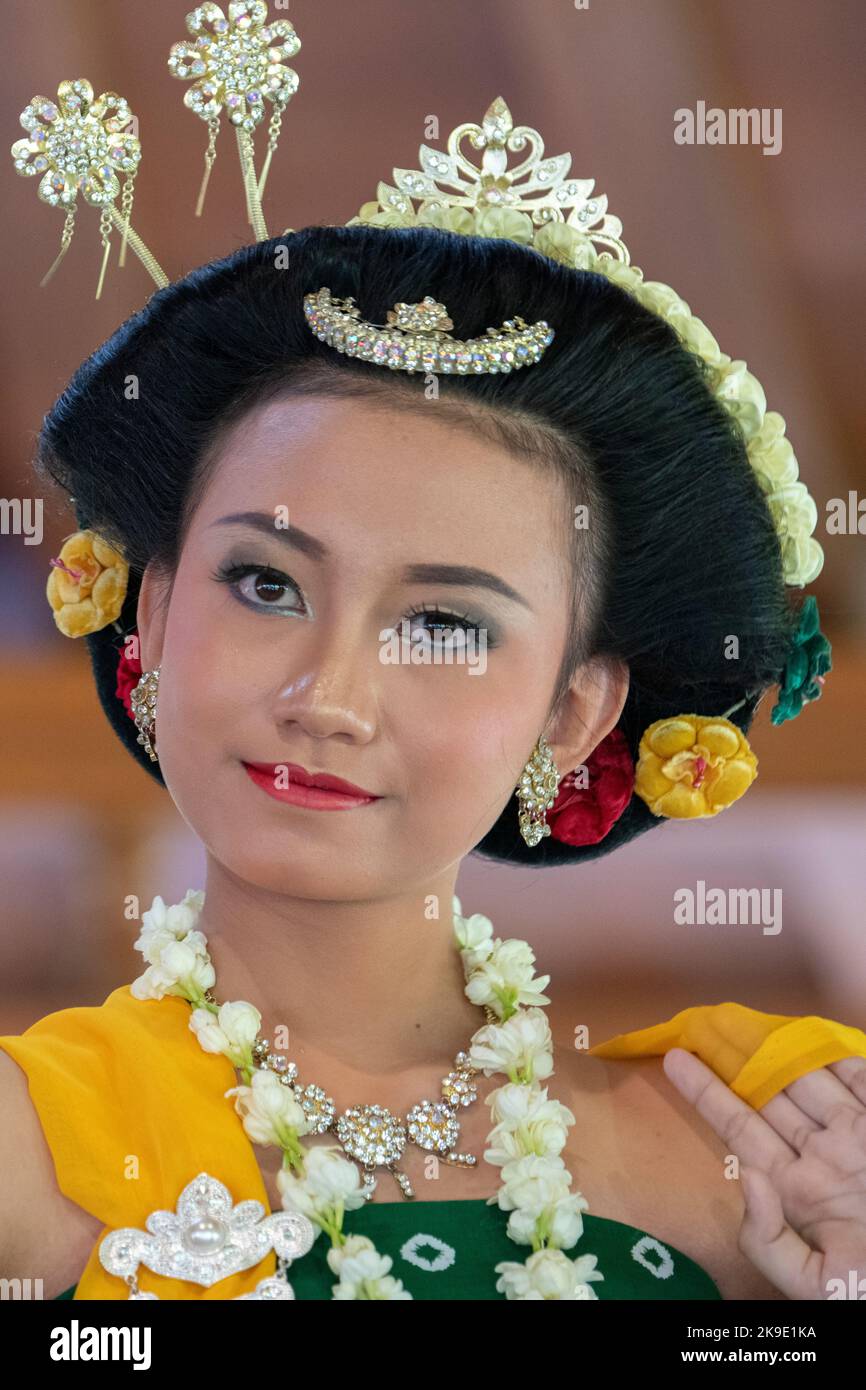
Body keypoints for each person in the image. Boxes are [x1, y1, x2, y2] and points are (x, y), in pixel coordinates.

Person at [2, 83, 863, 1300]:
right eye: (265, 582)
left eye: (444, 623)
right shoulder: (30, 1153)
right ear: (150, 609)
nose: (329, 695)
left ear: (573, 715)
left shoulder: (779, 1141)